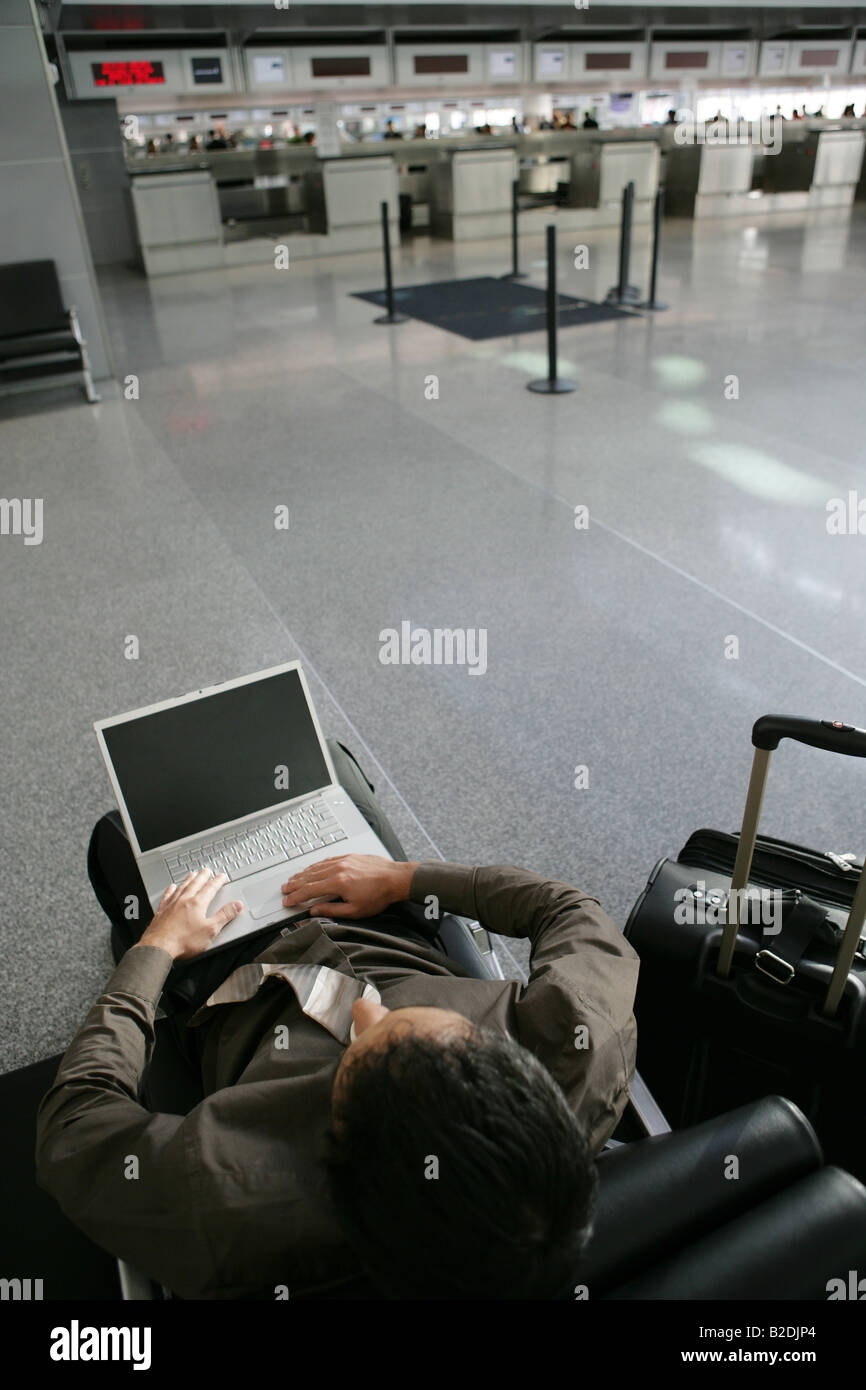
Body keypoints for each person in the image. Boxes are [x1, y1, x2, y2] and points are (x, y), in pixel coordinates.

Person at [35, 740, 638, 1301]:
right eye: (418, 1021)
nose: (368, 1007)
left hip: (224, 972)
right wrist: (405, 878)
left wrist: (156, 950)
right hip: (382, 914)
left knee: (118, 835)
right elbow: (568, 910)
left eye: (361, 1049)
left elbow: (74, 1123)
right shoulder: (577, 1047)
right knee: (322, 761)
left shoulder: (224, 1197)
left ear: (340, 1147)